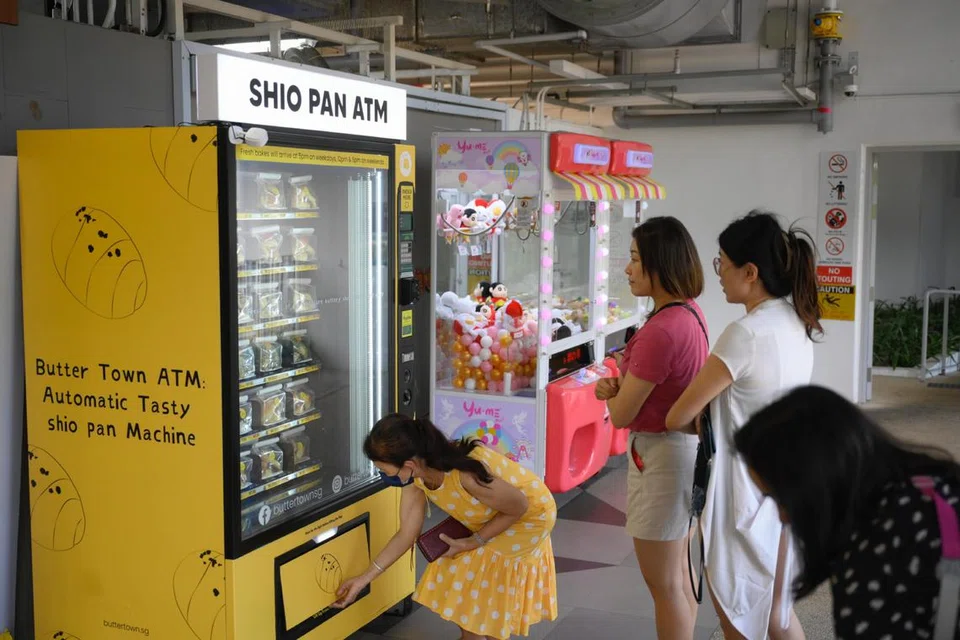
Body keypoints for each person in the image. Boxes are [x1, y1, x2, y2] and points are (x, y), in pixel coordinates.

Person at [665, 210, 822, 640]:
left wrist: (706, 418)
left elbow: (677, 416)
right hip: (785, 481)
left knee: (740, 617)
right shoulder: (795, 321)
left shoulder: (744, 334)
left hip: (743, 490)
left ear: (750, 272)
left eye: (722, 262)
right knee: (777, 614)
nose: (718, 273)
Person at [734, 385, 960, 640]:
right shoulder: (932, 485)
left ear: (814, 483)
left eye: (780, 498)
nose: (782, 516)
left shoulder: (874, 554)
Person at [333, 414, 558, 640]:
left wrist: (474, 541)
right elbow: (406, 534)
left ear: (409, 465)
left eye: (387, 471)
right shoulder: (416, 477)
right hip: (494, 514)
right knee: (467, 586)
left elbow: (519, 506)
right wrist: (363, 579)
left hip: (529, 519)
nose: (385, 476)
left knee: (480, 590)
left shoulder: (465, 475)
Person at [594, 216, 708, 640]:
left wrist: (611, 391)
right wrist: (622, 383)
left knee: (664, 585)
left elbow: (623, 415)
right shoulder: (688, 313)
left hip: (662, 458)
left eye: (635, 259)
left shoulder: (661, 331)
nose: (627, 269)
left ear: (660, 263)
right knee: (678, 577)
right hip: (682, 453)